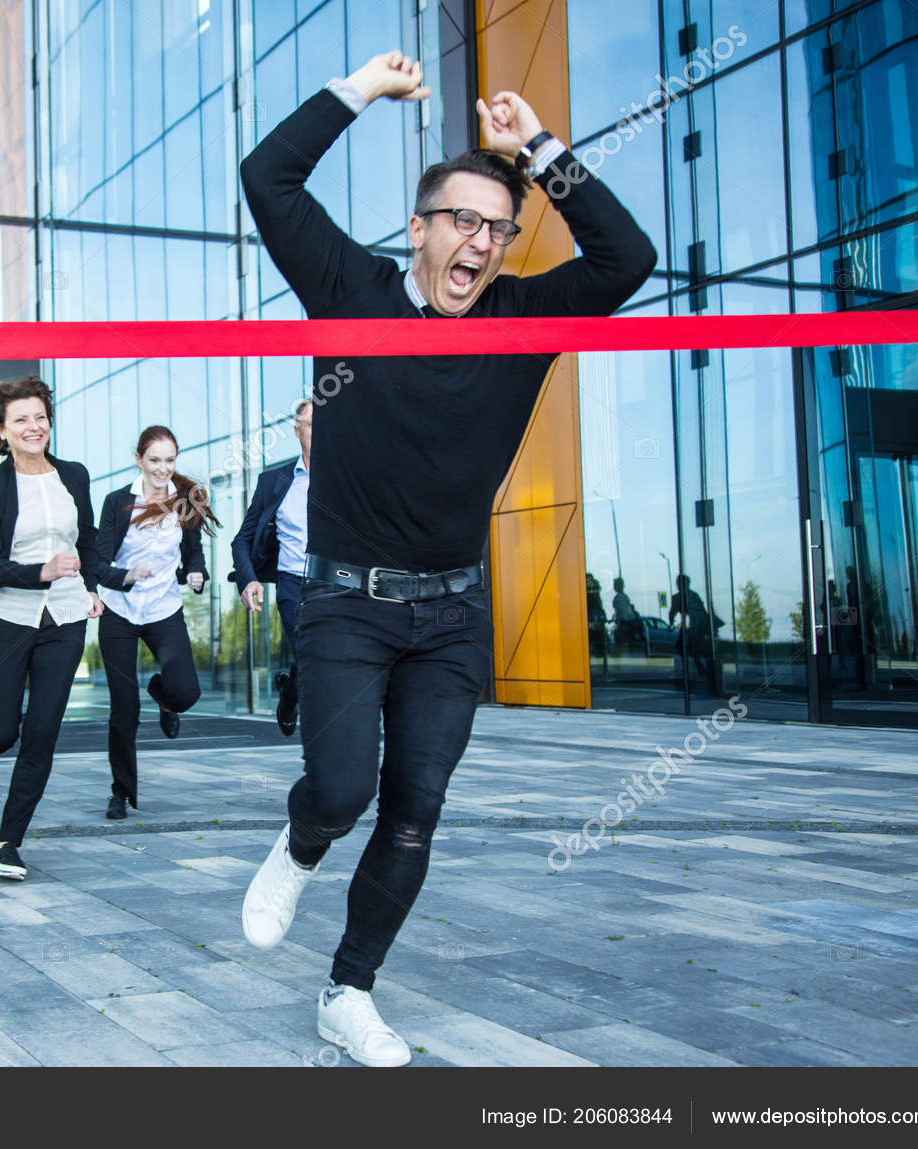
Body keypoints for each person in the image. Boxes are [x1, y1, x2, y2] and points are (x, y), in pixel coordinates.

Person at [237, 51, 655, 1066]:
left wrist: (539, 149)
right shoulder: (349, 291)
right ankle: (299, 847)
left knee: (415, 811)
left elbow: (625, 258)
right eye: (459, 220)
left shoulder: (524, 320)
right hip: (343, 602)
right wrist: (362, 91)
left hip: (452, 616)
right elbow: (267, 179)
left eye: (496, 227)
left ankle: (348, 990)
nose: (477, 240)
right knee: (340, 791)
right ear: (419, 228)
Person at [0, 376, 101, 881]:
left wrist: (92, 586)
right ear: (2, 431)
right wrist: (38, 573)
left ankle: (8, 842)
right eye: (21, 420)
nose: (34, 427)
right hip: (7, 618)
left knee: (42, 734)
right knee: (3, 729)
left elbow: (90, 540)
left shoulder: (75, 475)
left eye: (40, 417)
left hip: (66, 618)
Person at [95, 425, 218, 820]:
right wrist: (127, 575)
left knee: (185, 691)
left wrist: (196, 574)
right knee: (124, 708)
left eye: (170, 460)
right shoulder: (117, 502)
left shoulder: (185, 501)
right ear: (139, 460)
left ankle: (164, 699)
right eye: (155, 460)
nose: (163, 469)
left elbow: (193, 554)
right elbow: (99, 563)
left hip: (163, 608)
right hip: (120, 608)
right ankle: (121, 792)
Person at [230, 400, 313, 735]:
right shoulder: (274, 482)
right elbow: (241, 541)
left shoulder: (347, 480)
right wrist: (248, 579)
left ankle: (290, 687)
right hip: (294, 586)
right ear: (296, 432)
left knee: (325, 663)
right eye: (309, 425)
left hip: (338, 585)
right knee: (315, 662)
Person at [668, 573, 721, 697]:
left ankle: (702, 668)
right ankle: (698, 667)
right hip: (689, 625)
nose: (678, 585)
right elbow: (673, 611)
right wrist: (671, 623)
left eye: (680, 583)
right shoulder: (679, 597)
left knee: (695, 648)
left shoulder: (691, 596)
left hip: (696, 625)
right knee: (682, 647)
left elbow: (701, 611)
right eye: (678, 583)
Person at [611, 576, 643, 652]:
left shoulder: (619, 597)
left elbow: (622, 613)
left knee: (623, 645)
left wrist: (618, 621)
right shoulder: (624, 596)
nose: (614, 587)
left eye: (615, 585)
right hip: (628, 622)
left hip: (625, 623)